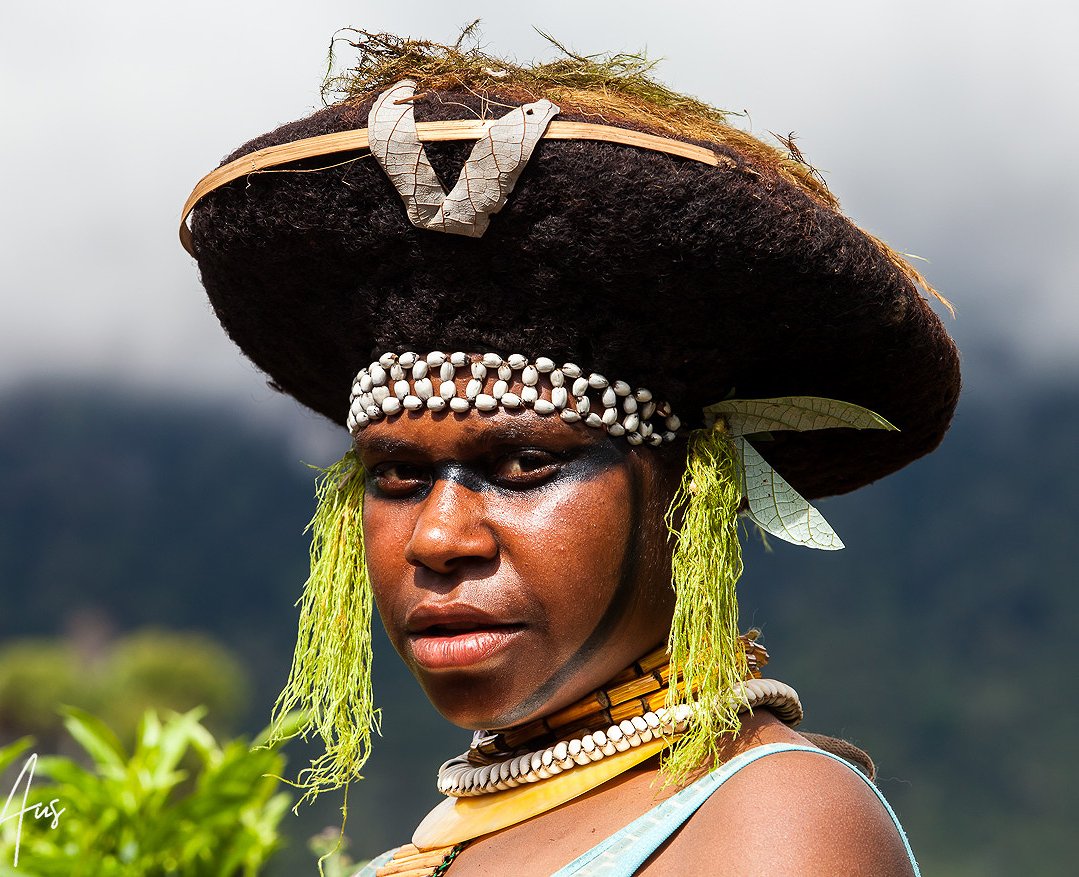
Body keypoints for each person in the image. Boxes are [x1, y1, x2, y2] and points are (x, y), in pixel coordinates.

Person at [178, 33, 958, 877]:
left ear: (690, 494)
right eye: (397, 475)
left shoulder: (773, 826)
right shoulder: (449, 840)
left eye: (525, 466)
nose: (439, 539)